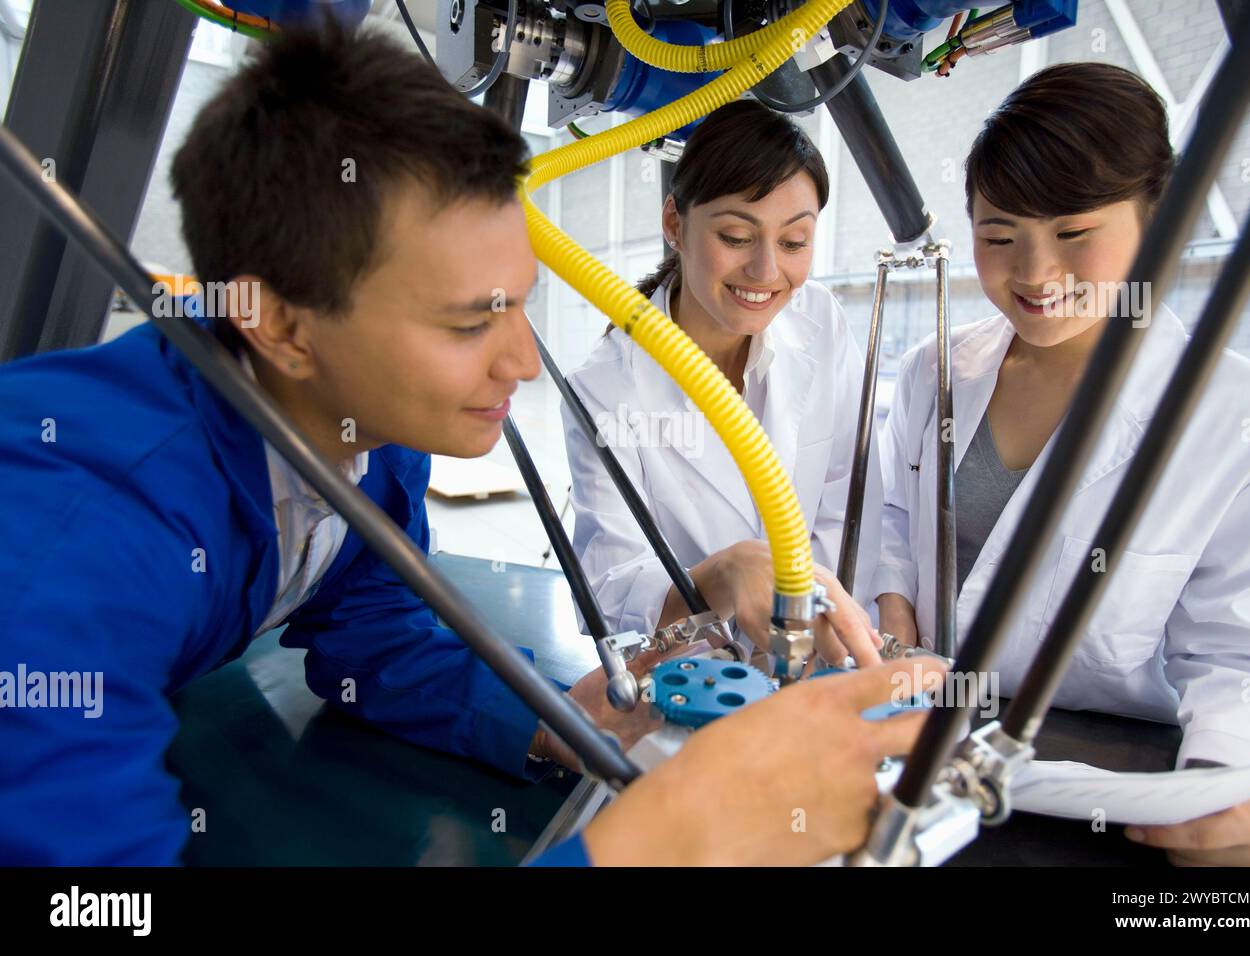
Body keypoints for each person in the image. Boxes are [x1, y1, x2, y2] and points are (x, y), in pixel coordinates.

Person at [0, 25, 927, 866]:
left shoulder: (364, 426)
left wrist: (565, 717)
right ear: (285, 326)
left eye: (521, 302)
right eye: (466, 325)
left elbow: (372, 644)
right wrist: (662, 843)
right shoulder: (68, 546)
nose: (524, 363)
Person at [872, 62, 1250, 864]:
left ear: (1158, 219)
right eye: (999, 236)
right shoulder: (936, 370)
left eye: (1074, 234)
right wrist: (892, 604)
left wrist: (1228, 791)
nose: (1035, 274)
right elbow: (899, 520)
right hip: (924, 749)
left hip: (1111, 781)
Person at [563, 100, 883, 670]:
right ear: (673, 224)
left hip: (815, 665)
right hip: (690, 679)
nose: (765, 272)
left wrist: (810, 629)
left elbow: (847, 500)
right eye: (736, 236)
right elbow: (610, 592)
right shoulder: (605, 389)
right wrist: (721, 576)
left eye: (793, 242)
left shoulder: (822, 323)